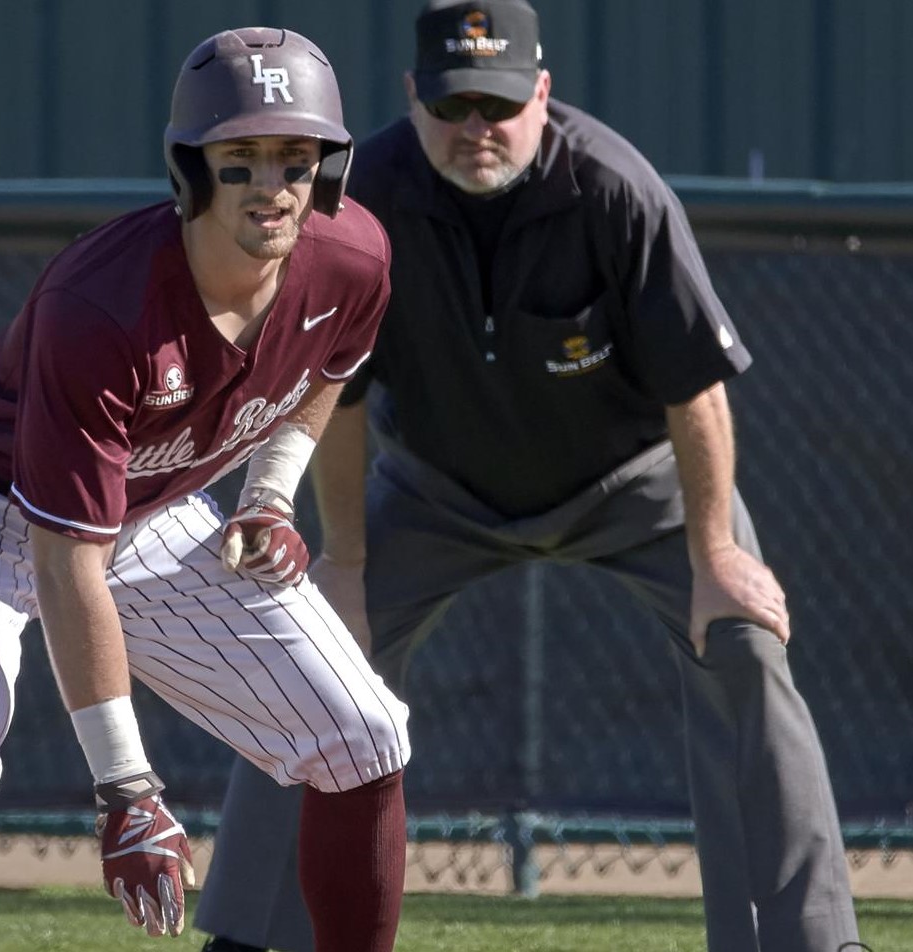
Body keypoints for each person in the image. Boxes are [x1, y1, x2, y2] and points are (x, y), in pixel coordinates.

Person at [195, 3, 861, 952]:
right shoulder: (358, 199)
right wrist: (343, 564)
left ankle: (804, 940)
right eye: (451, 104)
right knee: (308, 650)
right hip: (433, 490)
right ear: (412, 97)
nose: (476, 127)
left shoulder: (614, 188)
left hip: (635, 485)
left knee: (744, 642)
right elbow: (334, 395)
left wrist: (715, 554)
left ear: (541, 94)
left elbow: (696, 389)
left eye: (498, 104)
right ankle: (256, 939)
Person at [0, 27, 411, 952]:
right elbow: (67, 560)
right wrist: (127, 790)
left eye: (295, 157)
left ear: (330, 166)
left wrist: (271, 495)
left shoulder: (352, 255)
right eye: (239, 159)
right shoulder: (102, 303)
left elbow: (325, 373)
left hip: (145, 506)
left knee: (362, 734)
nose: (271, 185)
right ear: (190, 170)